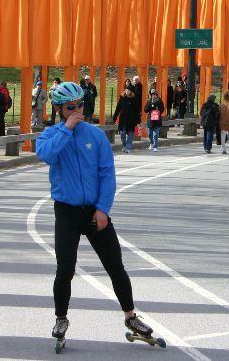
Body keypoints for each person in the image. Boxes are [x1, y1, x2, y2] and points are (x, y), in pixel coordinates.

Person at [35, 81, 154, 346]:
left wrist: (103, 209)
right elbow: (45, 155)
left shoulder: (95, 135)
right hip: (66, 211)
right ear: (59, 109)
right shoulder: (51, 135)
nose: (77, 110)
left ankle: (130, 315)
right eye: (70, 107)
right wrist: (66, 129)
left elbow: (107, 174)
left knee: (115, 265)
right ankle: (61, 318)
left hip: (94, 212)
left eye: (80, 105)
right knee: (65, 267)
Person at [112, 87, 140, 154]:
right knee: (122, 133)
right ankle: (124, 145)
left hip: (131, 120)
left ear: (131, 92)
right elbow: (118, 109)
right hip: (123, 119)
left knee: (130, 134)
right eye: (126, 90)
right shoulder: (122, 98)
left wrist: (138, 120)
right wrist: (114, 118)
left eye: (128, 90)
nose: (127, 91)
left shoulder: (134, 99)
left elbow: (137, 111)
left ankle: (128, 147)